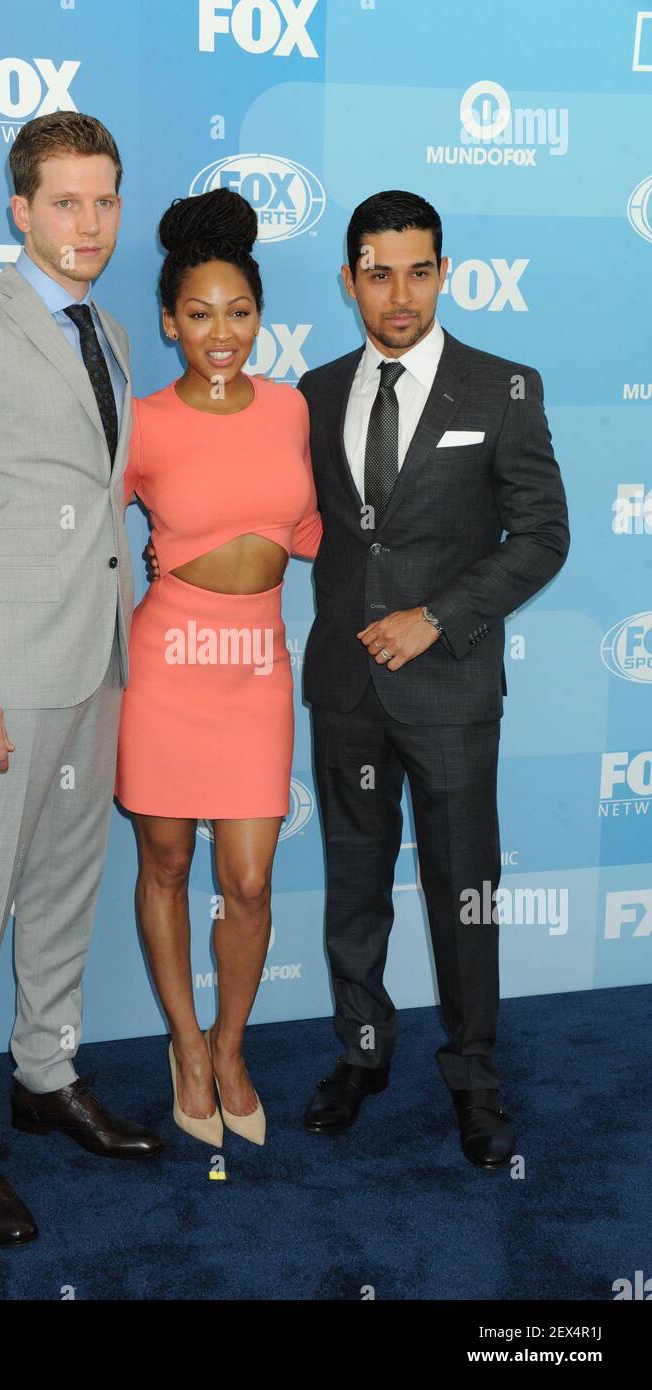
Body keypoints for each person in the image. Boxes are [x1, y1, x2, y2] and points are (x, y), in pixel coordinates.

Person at [0, 111, 162, 1248]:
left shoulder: (109, 331)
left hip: (94, 665)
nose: (90, 223)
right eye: (66, 201)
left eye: (104, 200)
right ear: (20, 208)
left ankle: (44, 1076)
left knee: (61, 894)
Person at [296, 190, 569, 1168]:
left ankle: (475, 1081)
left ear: (444, 273)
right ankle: (361, 1054)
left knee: (463, 891)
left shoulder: (502, 388)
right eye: (378, 272)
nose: (399, 293)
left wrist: (437, 617)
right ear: (348, 280)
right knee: (353, 886)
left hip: (448, 686)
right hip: (344, 690)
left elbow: (543, 536)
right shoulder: (315, 390)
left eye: (418, 270)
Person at [115, 188, 322, 1147]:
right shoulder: (142, 422)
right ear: (168, 321)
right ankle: (186, 1048)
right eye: (198, 313)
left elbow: (317, 528)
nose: (220, 330)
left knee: (248, 880)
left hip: (255, 666)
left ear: (259, 315)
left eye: (237, 311)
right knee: (165, 861)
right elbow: (85, 538)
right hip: (170, 659)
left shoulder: (292, 409)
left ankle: (232, 1044)